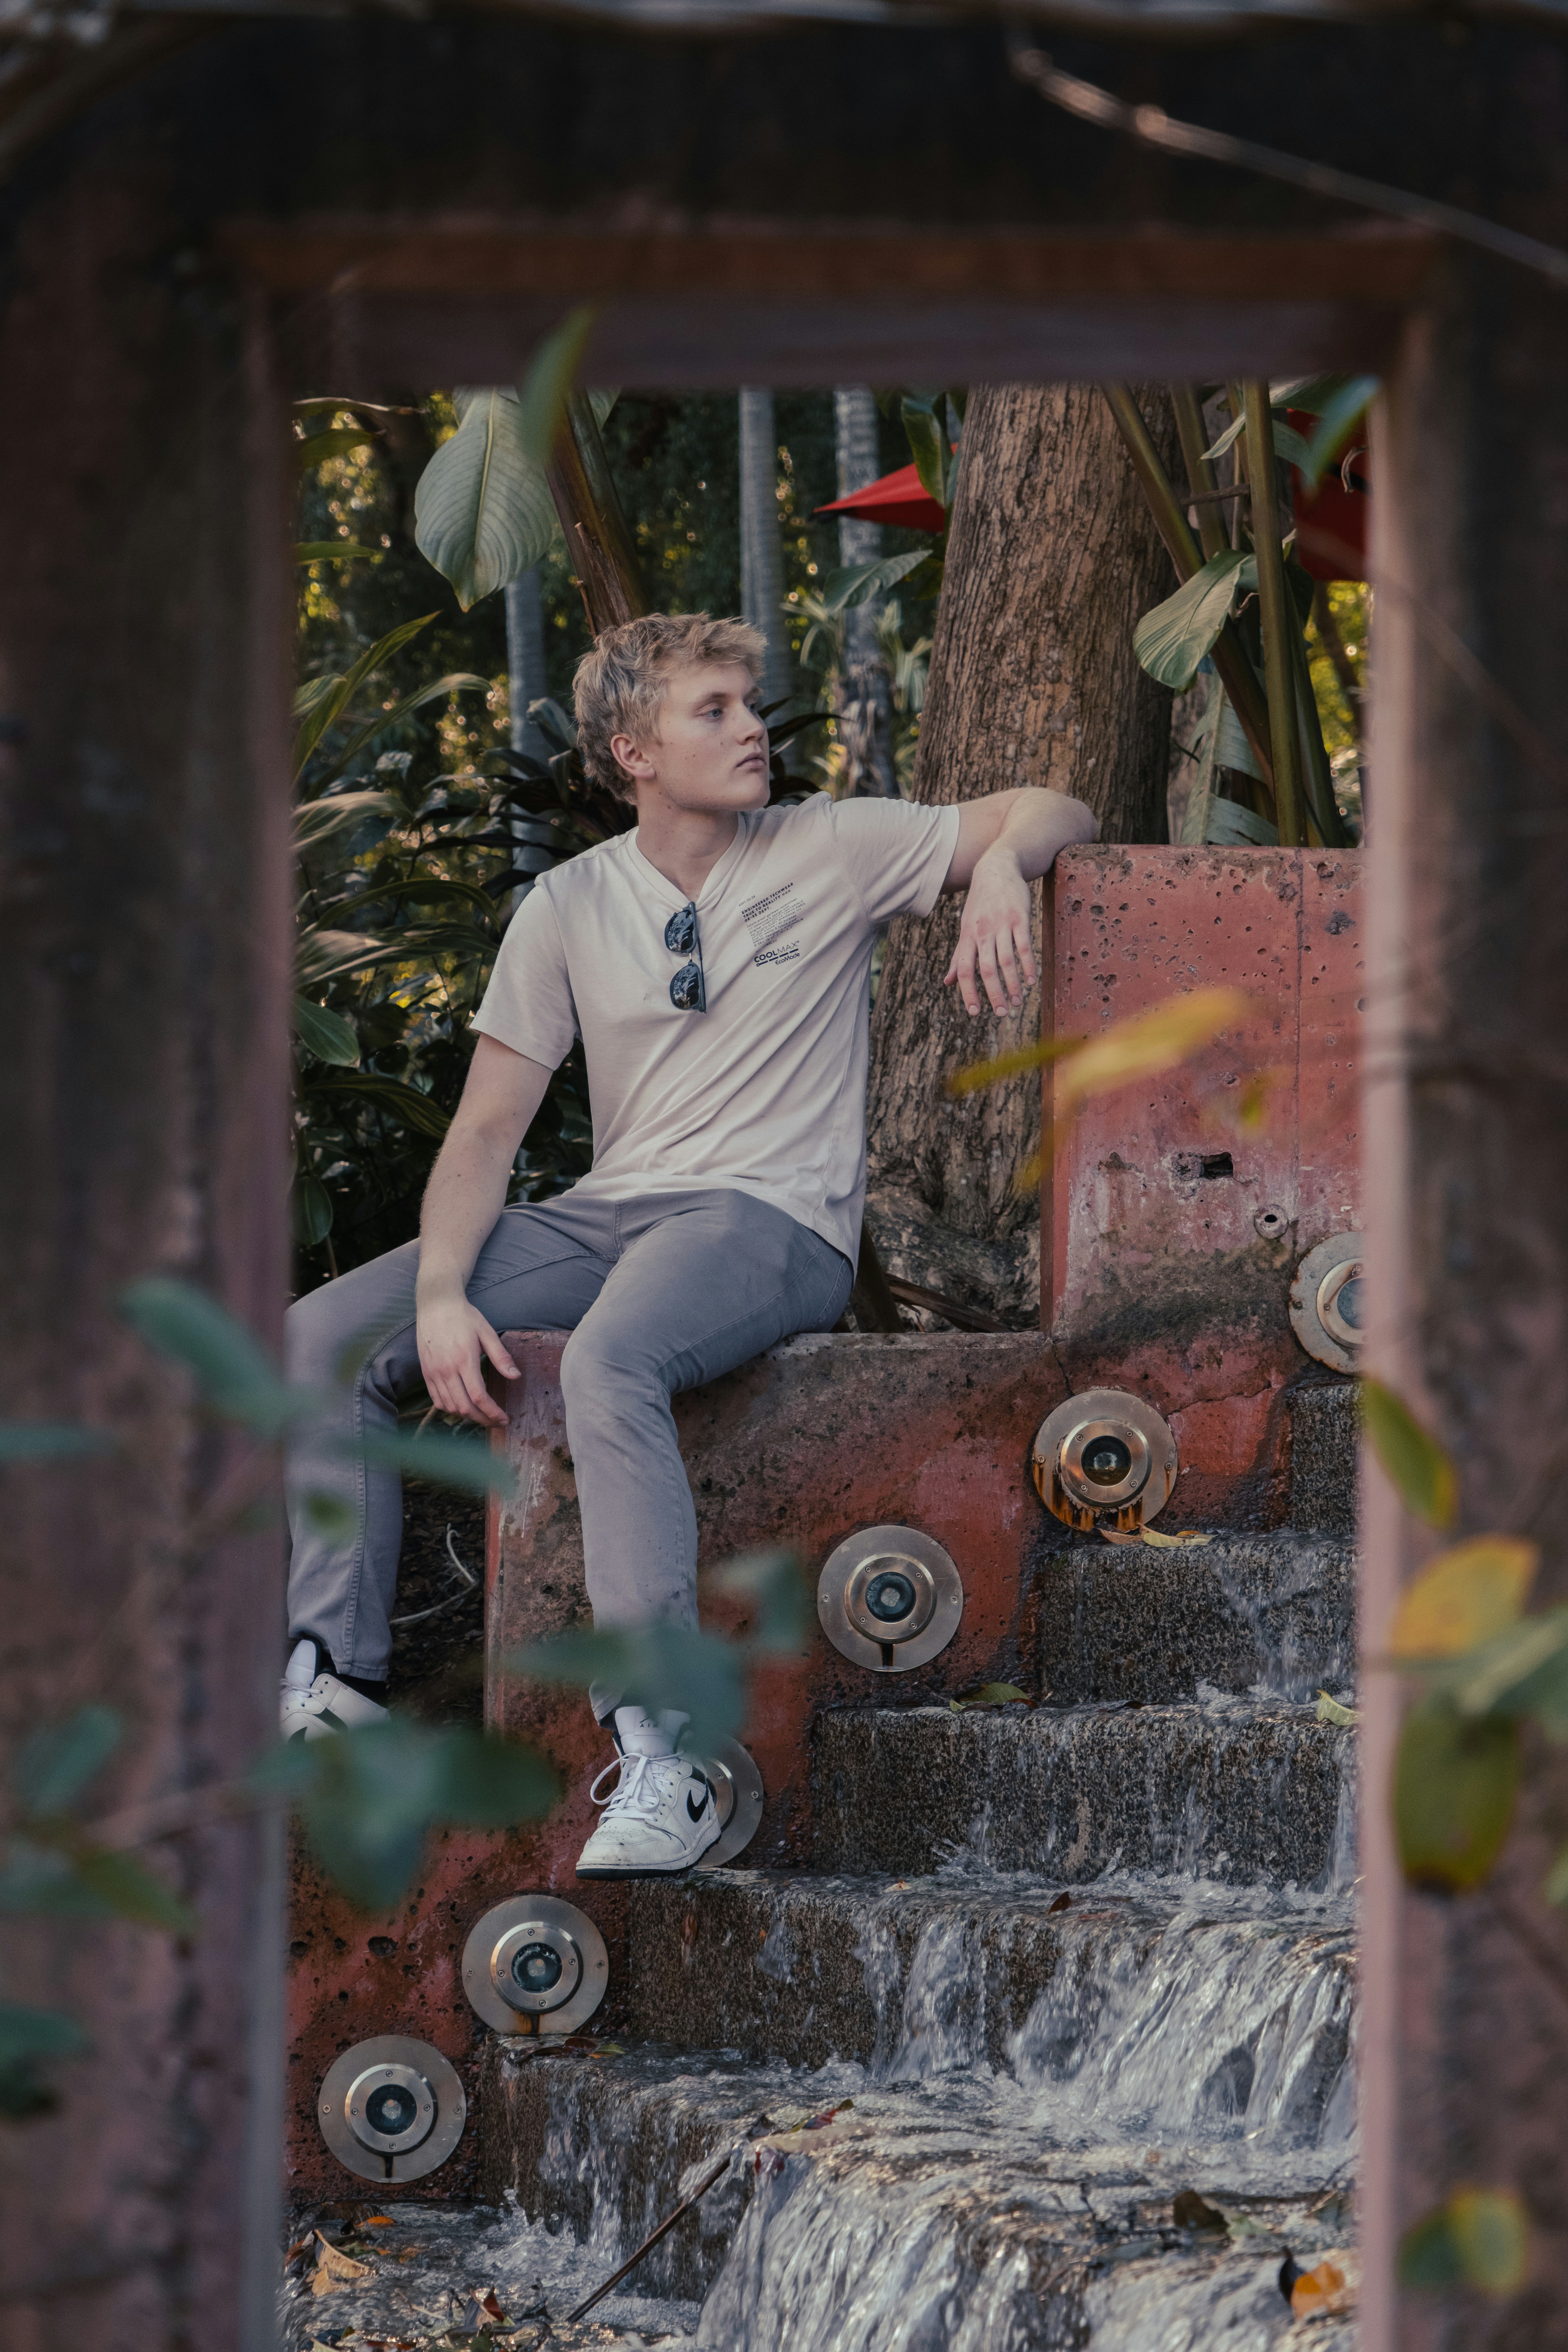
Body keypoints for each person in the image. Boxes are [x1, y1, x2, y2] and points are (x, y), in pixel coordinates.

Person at [280, 611, 1097, 1876]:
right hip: (611, 1211)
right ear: (634, 751)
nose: (749, 727)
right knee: (322, 1339)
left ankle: (667, 1762)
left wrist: (997, 866)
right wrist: (441, 1290)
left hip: (766, 1220)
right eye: (711, 710)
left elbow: (1056, 807)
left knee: (611, 1364)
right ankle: (337, 1682)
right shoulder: (567, 905)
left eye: (746, 703)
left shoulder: (831, 846)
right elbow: (487, 1134)